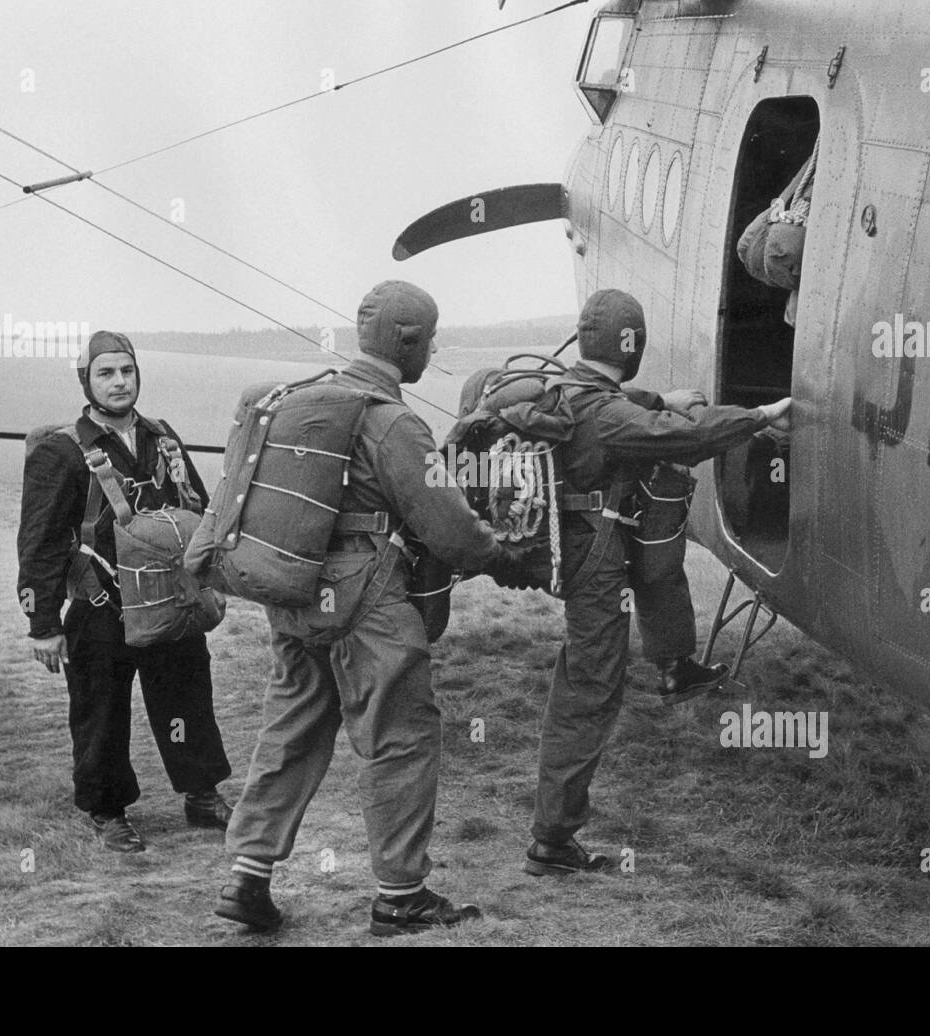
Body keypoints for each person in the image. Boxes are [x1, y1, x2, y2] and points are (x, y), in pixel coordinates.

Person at [214, 281, 524, 937]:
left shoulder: (305, 398)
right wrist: (501, 557)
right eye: (430, 338)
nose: (433, 349)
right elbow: (448, 527)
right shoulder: (391, 421)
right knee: (400, 736)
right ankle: (400, 895)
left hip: (294, 593)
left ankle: (248, 873)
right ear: (407, 342)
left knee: (290, 730)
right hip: (368, 597)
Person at [525, 288, 791, 876]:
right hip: (594, 559)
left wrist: (658, 399)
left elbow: (619, 406)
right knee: (588, 692)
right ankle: (551, 841)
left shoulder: (564, 391)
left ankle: (553, 833)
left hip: (580, 549)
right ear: (633, 344)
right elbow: (678, 437)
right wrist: (759, 417)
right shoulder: (608, 415)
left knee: (587, 684)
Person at [17, 330, 233, 853]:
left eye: (127, 371)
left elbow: (199, 508)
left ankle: (200, 792)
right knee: (101, 711)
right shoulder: (60, 452)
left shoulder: (163, 437)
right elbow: (39, 543)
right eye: (106, 373)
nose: (119, 382)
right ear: (87, 381)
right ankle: (107, 809)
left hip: (167, 599)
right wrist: (43, 624)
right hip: (100, 605)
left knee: (185, 699)